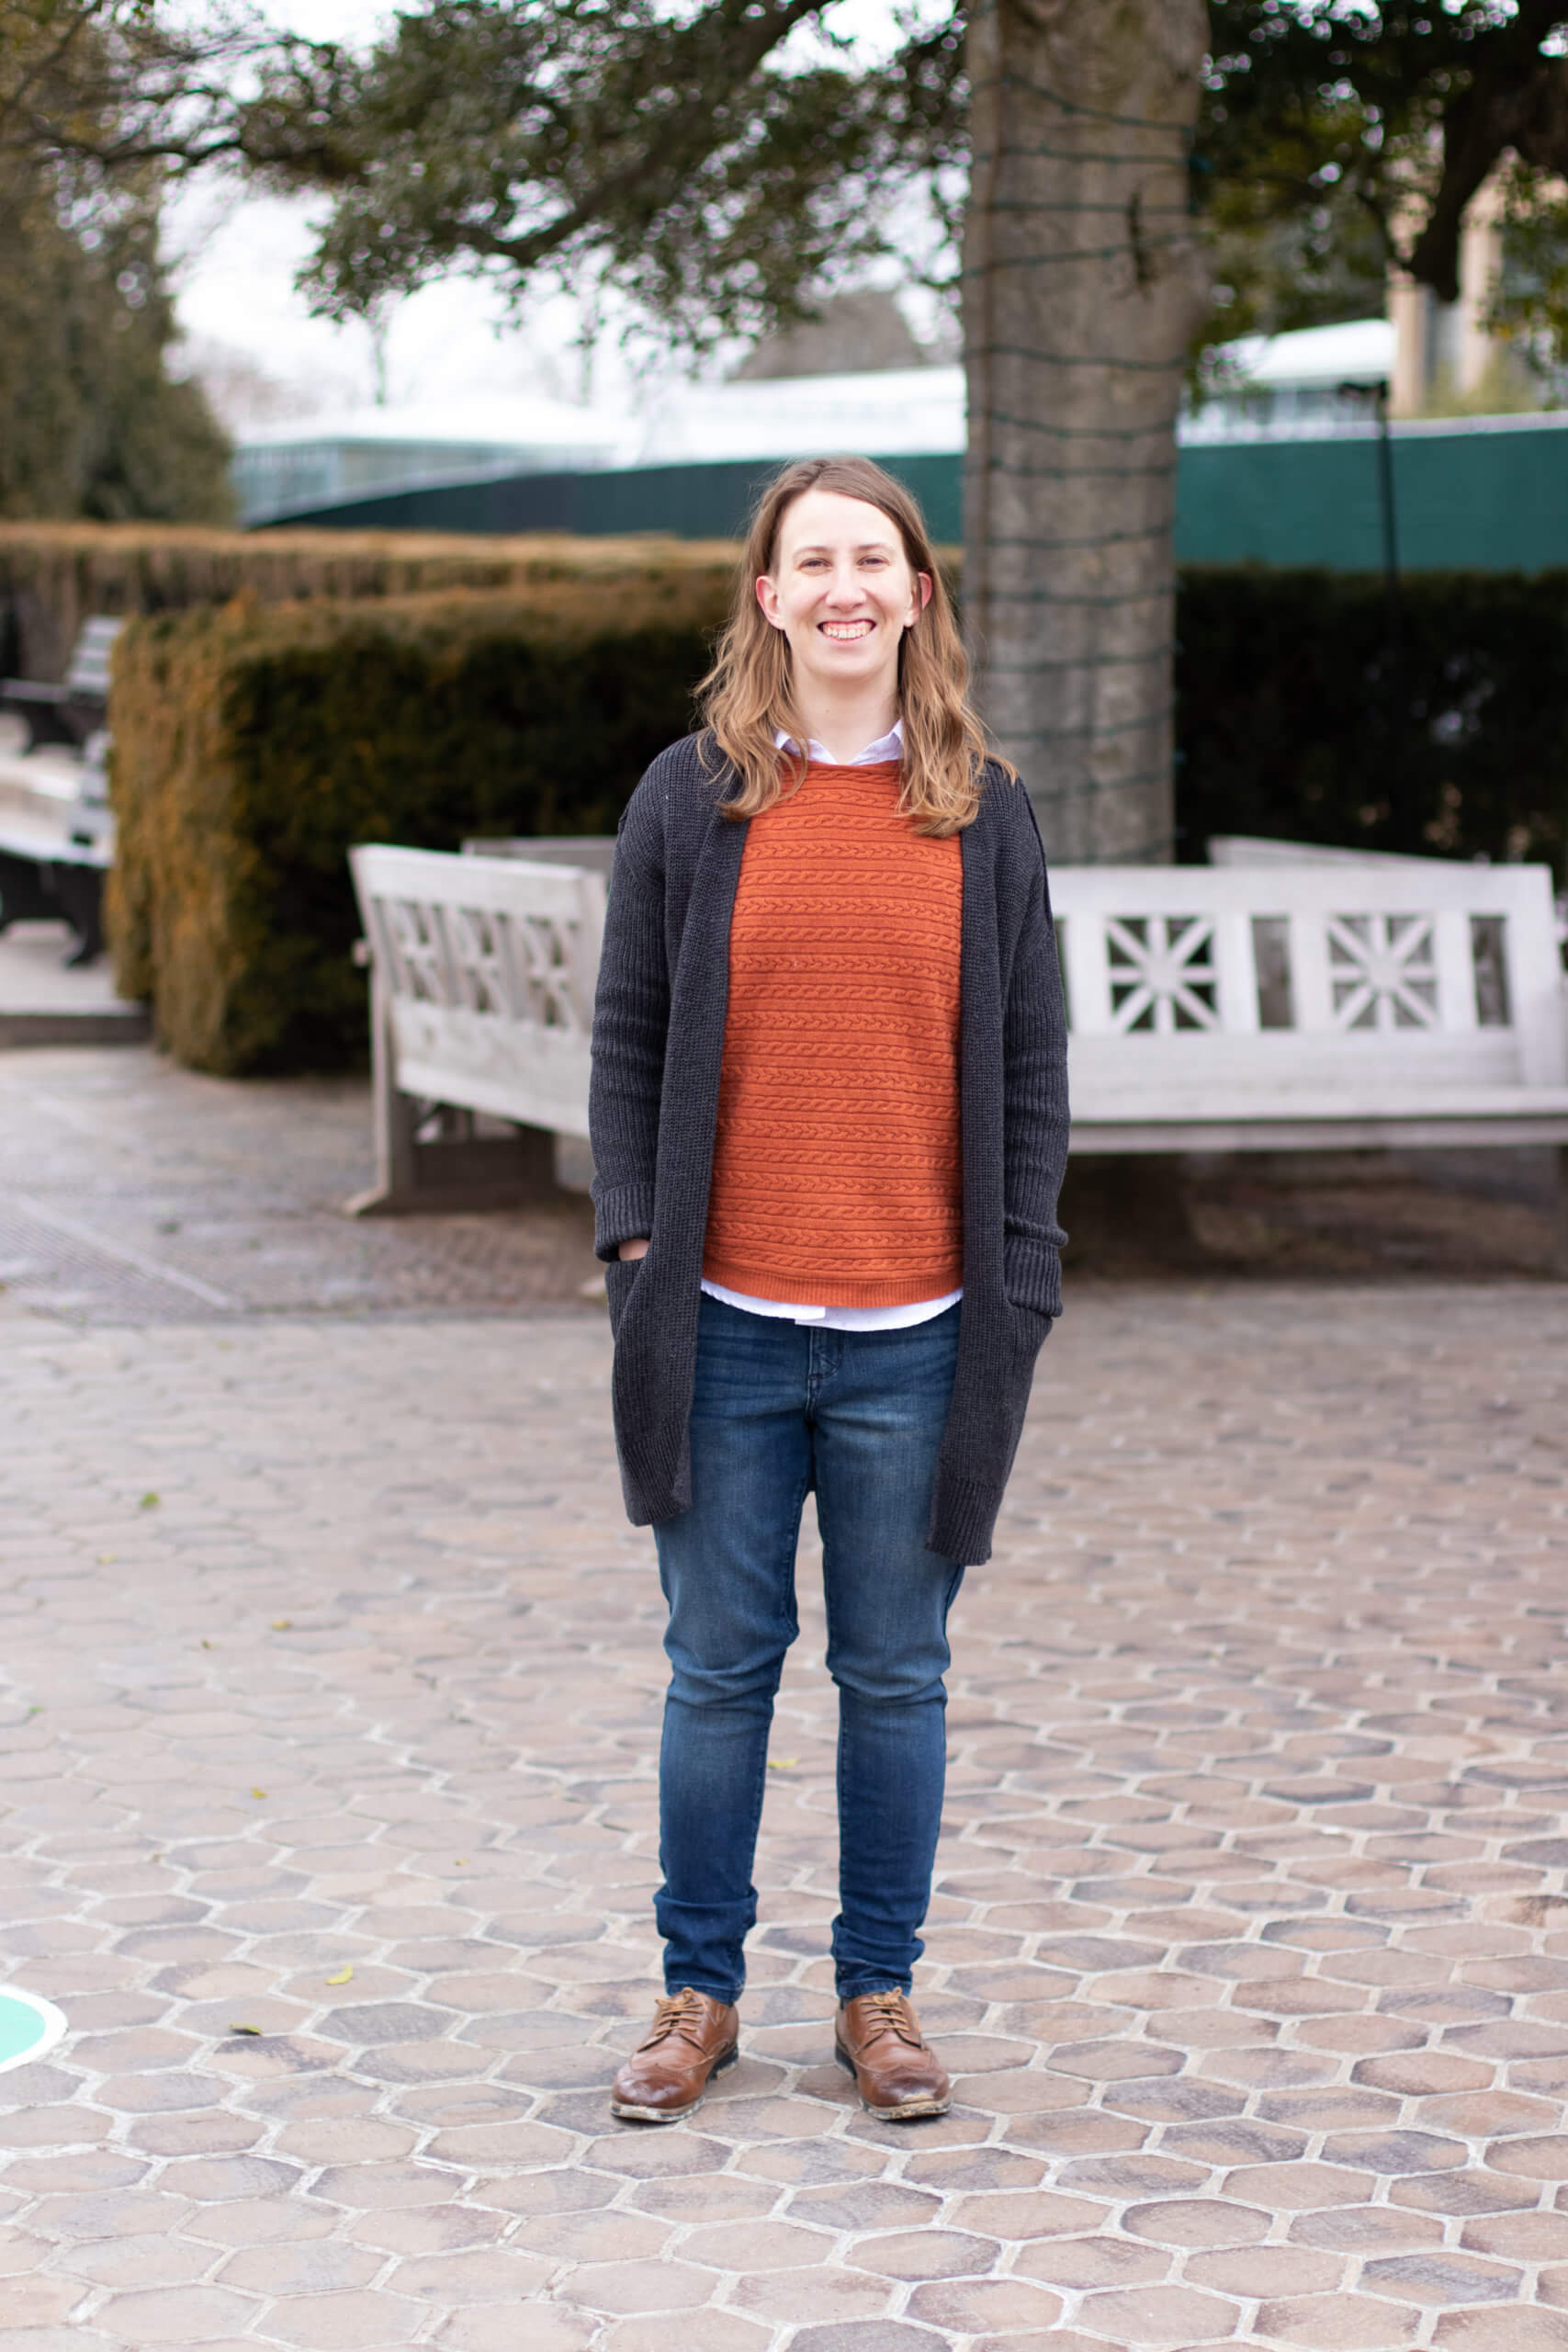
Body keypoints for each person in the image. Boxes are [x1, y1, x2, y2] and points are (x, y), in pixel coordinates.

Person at [588, 455, 1069, 2125]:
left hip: (918, 1338)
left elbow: (1031, 1063)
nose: (845, 586)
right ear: (768, 596)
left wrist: (1023, 1271)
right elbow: (631, 1034)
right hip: (718, 1328)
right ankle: (695, 1992)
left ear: (917, 595)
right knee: (716, 1669)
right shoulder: (689, 798)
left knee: (899, 1675)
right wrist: (639, 1243)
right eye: (814, 561)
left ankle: (879, 1991)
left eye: (876, 558)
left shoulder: (983, 809)